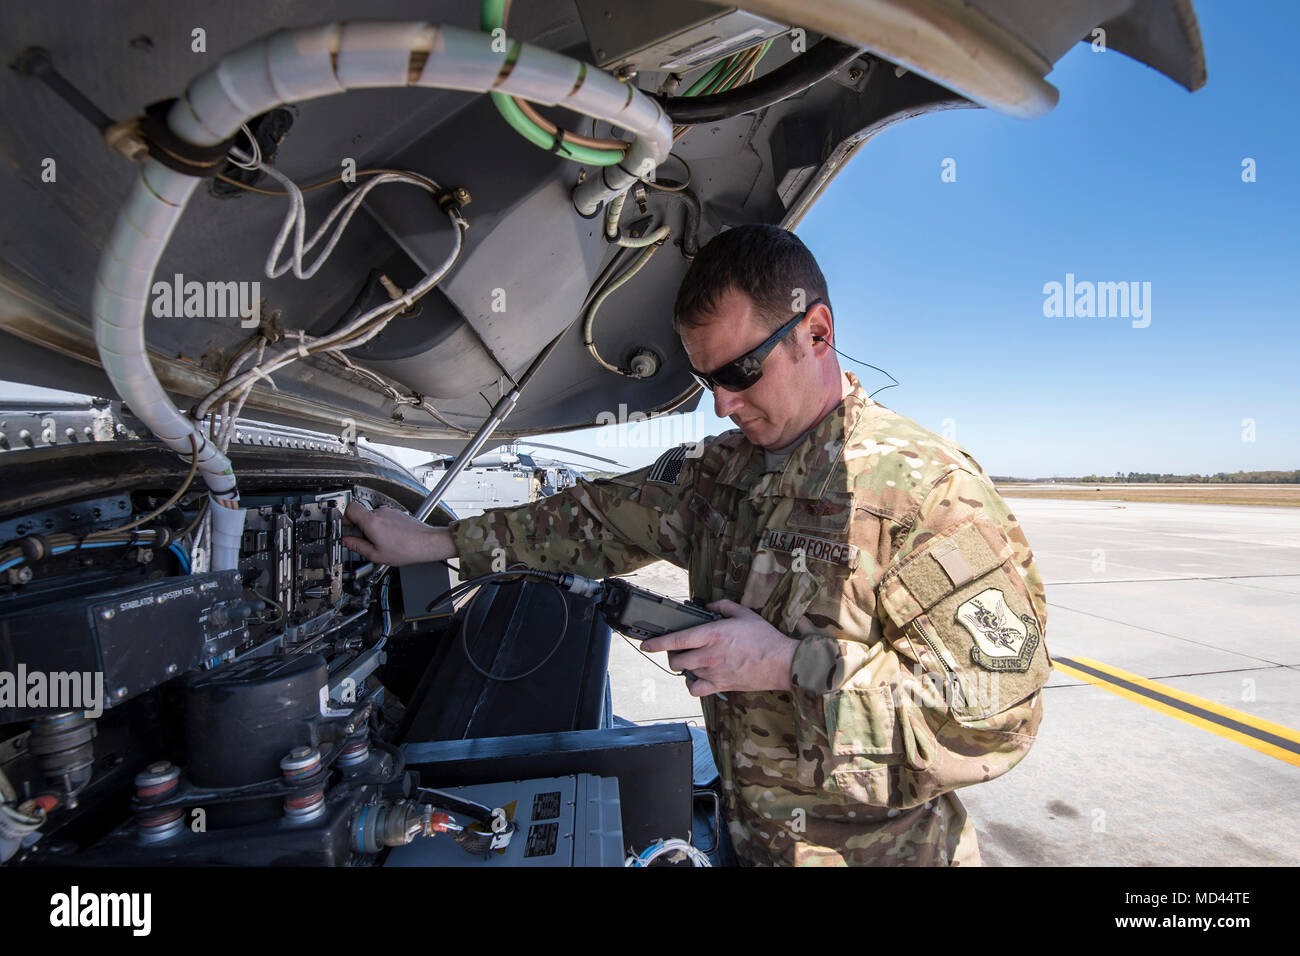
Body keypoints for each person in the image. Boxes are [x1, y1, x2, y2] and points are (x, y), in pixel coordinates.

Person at [343, 225, 1052, 866]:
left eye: (741, 371)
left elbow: (992, 717)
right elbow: (589, 522)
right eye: (706, 380)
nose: (721, 402)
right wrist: (437, 542)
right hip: (753, 844)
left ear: (816, 332)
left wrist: (787, 665)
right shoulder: (722, 472)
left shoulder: (924, 493)